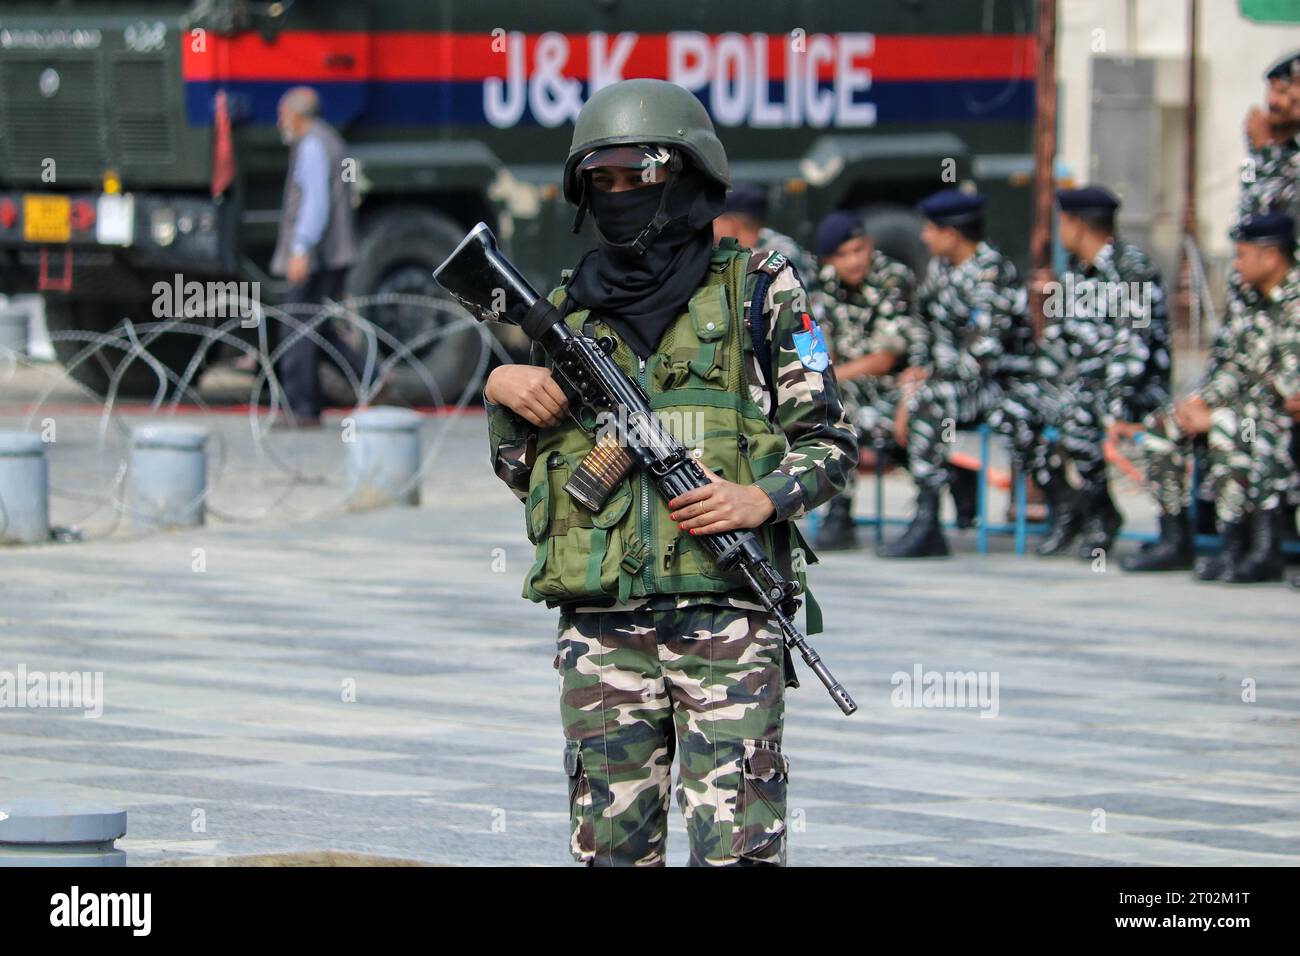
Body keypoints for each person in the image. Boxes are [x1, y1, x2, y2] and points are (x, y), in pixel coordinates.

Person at [482, 79, 856, 867]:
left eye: (641, 178)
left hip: (727, 622)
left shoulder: (761, 289)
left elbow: (829, 446)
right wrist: (504, 394)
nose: (621, 198)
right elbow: (531, 480)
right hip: (603, 631)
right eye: (604, 183)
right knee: (609, 854)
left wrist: (757, 498)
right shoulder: (565, 313)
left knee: (739, 854)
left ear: (687, 178)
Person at [1125, 214, 1299, 578]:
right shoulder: (1248, 299)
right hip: (1249, 410)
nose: (1236, 265)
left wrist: (1218, 412)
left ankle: (1250, 546)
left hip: (1281, 420)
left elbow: (1287, 388)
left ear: (1271, 257)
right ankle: (1174, 537)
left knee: (1228, 426)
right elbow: (1231, 363)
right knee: (1162, 425)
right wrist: (1202, 400)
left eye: (1243, 256)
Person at [880, 188, 1028, 558]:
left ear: (952, 233)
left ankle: (929, 523)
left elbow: (984, 354)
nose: (924, 237)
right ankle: (956, 479)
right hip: (946, 383)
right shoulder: (941, 268)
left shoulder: (992, 273)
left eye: (930, 229)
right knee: (872, 413)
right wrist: (916, 368)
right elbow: (922, 327)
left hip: (993, 386)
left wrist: (923, 383)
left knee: (925, 405)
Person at [1016, 187, 1151, 558]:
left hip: (1131, 391)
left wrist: (1110, 403)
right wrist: (1039, 385)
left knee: (1077, 415)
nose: (1061, 229)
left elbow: (1135, 351)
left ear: (1077, 225)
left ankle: (1101, 509)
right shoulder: (1075, 274)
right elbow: (1057, 342)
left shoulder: (1133, 271)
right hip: (1081, 387)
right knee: (1014, 410)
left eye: (1063, 222)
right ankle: (1065, 503)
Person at [808, 209, 921, 550]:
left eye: (859, 250)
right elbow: (819, 348)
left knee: (839, 401)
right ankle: (839, 509)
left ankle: (840, 509)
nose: (854, 261)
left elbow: (887, 357)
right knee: (826, 399)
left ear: (870, 245)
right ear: (829, 259)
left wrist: (834, 377)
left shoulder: (892, 278)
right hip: (851, 386)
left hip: (897, 385)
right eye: (843, 255)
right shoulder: (823, 286)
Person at [269, 86, 370, 426]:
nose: (280, 122)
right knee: (317, 326)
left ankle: (303, 409)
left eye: (283, 115)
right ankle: (374, 377)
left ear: (297, 116)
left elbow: (315, 204)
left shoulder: (312, 145)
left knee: (296, 328)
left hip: (317, 255)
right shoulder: (331, 140)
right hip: (334, 253)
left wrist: (300, 248)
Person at [712, 182, 820, 287]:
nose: (713, 230)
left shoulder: (781, 251)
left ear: (731, 223)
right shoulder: (727, 252)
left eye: (716, 223)